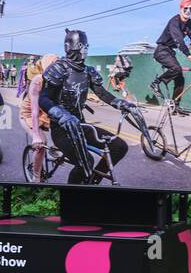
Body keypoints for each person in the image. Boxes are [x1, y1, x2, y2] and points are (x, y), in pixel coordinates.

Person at [39, 29, 131, 185]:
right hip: (61, 129)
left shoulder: (88, 71)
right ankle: (71, 197)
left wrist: (120, 103)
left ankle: (92, 182)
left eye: (86, 46)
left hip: (81, 125)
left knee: (119, 147)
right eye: (82, 45)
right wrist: (61, 114)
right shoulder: (58, 68)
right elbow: (44, 98)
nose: (85, 50)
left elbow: (102, 93)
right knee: (85, 162)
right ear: (73, 47)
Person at [149, 0, 191, 116]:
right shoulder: (174, 21)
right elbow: (178, 40)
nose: (188, 11)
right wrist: (188, 54)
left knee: (180, 78)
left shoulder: (190, 24)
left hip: (170, 51)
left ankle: (175, 106)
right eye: (185, 8)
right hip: (161, 50)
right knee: (176, 68)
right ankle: (156, 82)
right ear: (181, 9)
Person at [21, 52, 59, 182]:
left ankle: (54, 152)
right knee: (41, 144)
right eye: (52, 64)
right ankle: (36, 179)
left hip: (47, 116)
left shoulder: (60, 80)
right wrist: (36, 135)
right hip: (29, 116)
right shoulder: (38, 80)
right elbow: (34, 111)